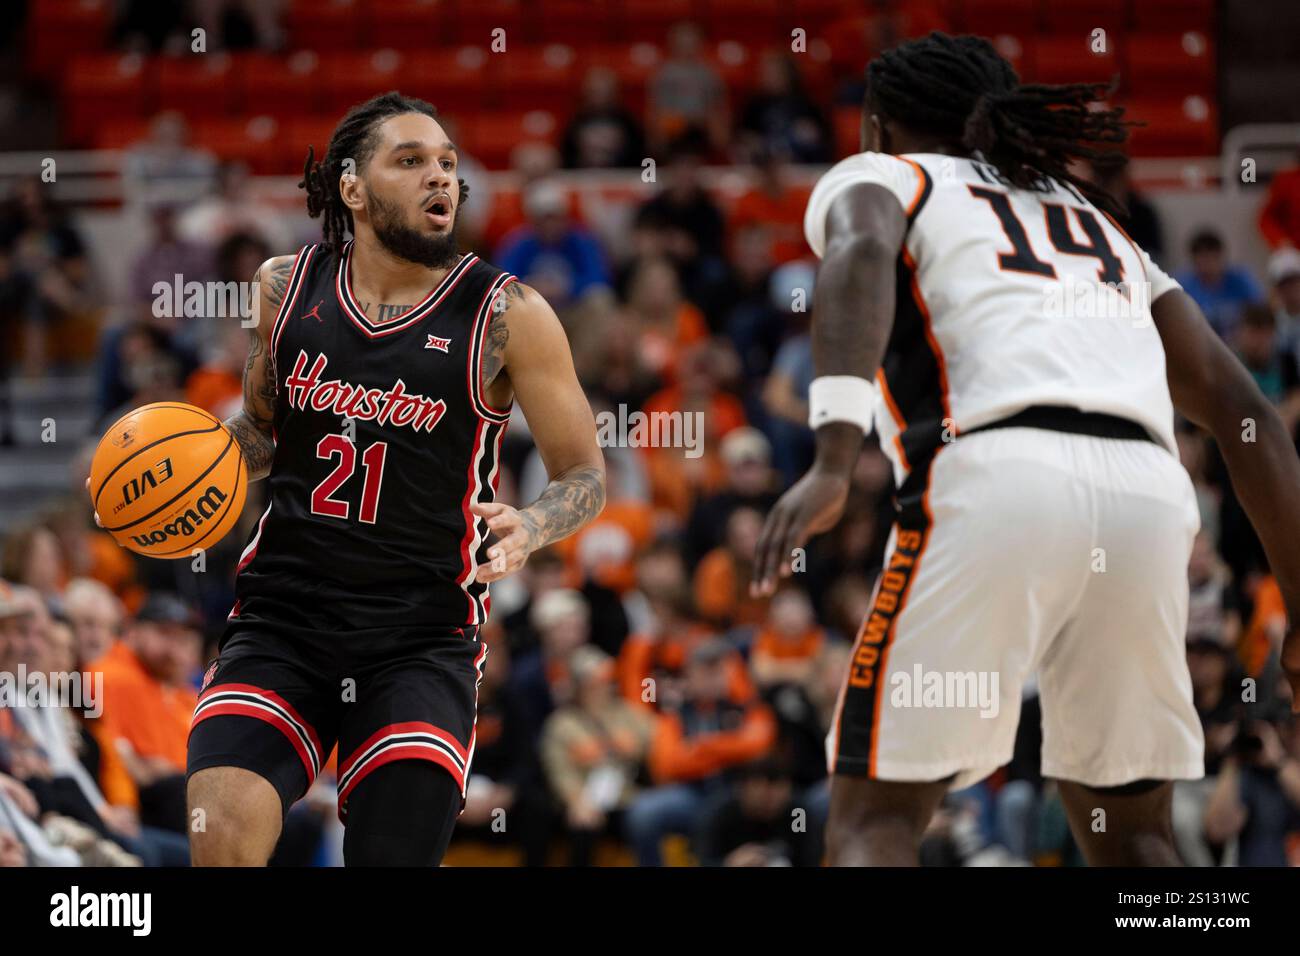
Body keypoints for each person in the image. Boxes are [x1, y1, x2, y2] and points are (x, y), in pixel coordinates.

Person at [751, 32, 1300, 867]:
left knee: (873, 822)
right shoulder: (1101, 226)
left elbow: (859, 249)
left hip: (996, 474)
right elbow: (1242, 410)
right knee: (1136, 836)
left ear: (875, 128)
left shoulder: (885, 176)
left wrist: (832, 456)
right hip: (1148, 502)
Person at [99, 92, 605, 867]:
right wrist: (192, 461)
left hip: (421, 635)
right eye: (410, 161)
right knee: (222, 839)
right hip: (283, 616)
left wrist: (534, 525)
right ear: (353, 188)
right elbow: (262, 433)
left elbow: (583, 474)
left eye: (447, 163)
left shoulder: (509, 314)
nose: (440, 177)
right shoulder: (284, 287)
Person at [1174, 229, 1265, 340]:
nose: (1208, 265)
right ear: (1193, 260)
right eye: (1203, 259)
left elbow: (1260, 312)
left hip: (1240, 344)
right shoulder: (1182, 287)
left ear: (1221, 257)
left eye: (1212, 258)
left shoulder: (1241, 280)